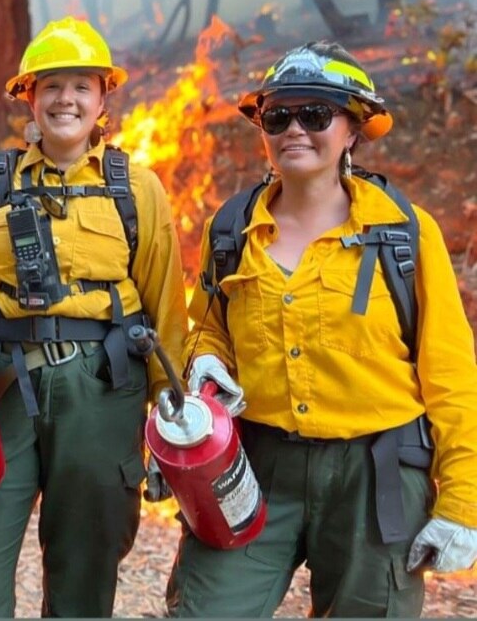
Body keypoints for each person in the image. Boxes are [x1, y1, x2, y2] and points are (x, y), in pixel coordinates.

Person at [167, 41, 477, 617]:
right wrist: (206, 363)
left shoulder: (405, 233)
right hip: (255, 465)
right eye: (278, 116)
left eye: (316, 115)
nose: (295, 130)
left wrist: (462, 502)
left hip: (375, 475)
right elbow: (209, 329)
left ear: (353, 130)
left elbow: (453, 376)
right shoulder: (232, 229)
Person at [0, 17, 189, 617]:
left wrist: (170, 410)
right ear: (29, 98)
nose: (65, 100)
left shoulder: (136, 189)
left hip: (102, 389)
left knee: (85, 567)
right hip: (0, 390)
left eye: (80, 87)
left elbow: (165, 306)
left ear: (102, 101)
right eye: (50, 86)